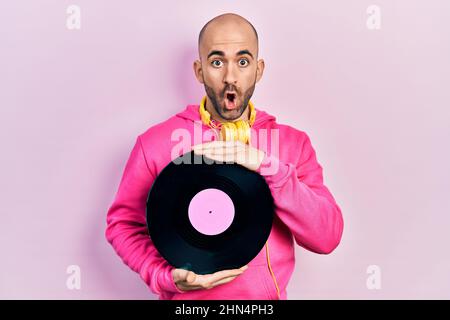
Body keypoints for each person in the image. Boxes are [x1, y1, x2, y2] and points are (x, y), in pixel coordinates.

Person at [105, 13, 344, 300]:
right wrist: (162, 276)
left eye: (242, 62)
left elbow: (326, 237)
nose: (230, 77)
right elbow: (123, 225)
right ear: (199, 70)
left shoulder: (294, 144)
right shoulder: (154, 144)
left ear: (258, 69)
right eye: (217, 62)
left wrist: (270, 169)